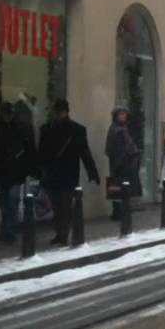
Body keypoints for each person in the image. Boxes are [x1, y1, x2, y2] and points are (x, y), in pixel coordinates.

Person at [38, 99, 100, 245]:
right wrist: (39, 170)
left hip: (67, 173)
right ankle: (60, 232)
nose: (59, 114)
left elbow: (84, 152)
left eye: (61, 111)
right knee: (56, 206)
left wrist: (92, 172)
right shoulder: (47, 129)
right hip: (54, 173)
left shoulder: (76, 130)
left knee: (65, 205)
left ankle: (63, 234)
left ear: (66, 111)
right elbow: (41, 152)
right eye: (57, 111)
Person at [0, 102, 36, 244]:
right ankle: (6, 229)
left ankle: (8, 230)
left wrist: (30, 168)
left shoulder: (21, 128)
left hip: (15, 171)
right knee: (6, 202)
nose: (7, 117)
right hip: (3, 171)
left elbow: (29, 150)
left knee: (11, 202)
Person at [105, 107, 142, 220]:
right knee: (117, 188)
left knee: (125, 188)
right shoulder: (114, 129)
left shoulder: (126, 128)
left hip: (127, 163)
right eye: (120, 114)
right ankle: (117, 212)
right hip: (118, 164)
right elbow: (109, 149)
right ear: (116, 116)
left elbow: (131, 147)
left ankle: (123, 211)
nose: (123, 116)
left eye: (124, 114)